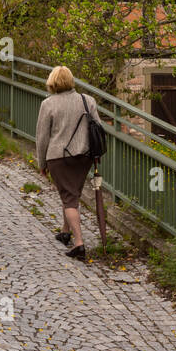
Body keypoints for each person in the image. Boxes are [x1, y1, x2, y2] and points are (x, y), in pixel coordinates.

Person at [35, 64, 104, 261]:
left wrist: (42, 163)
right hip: (84, 156)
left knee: (69, 198)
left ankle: (79, 243)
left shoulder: (48, 104)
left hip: (59, 157)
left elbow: (42, 137)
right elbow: (98, 127)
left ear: (52, 82)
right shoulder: (87, 100)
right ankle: (65, 232)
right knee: (72, 194)